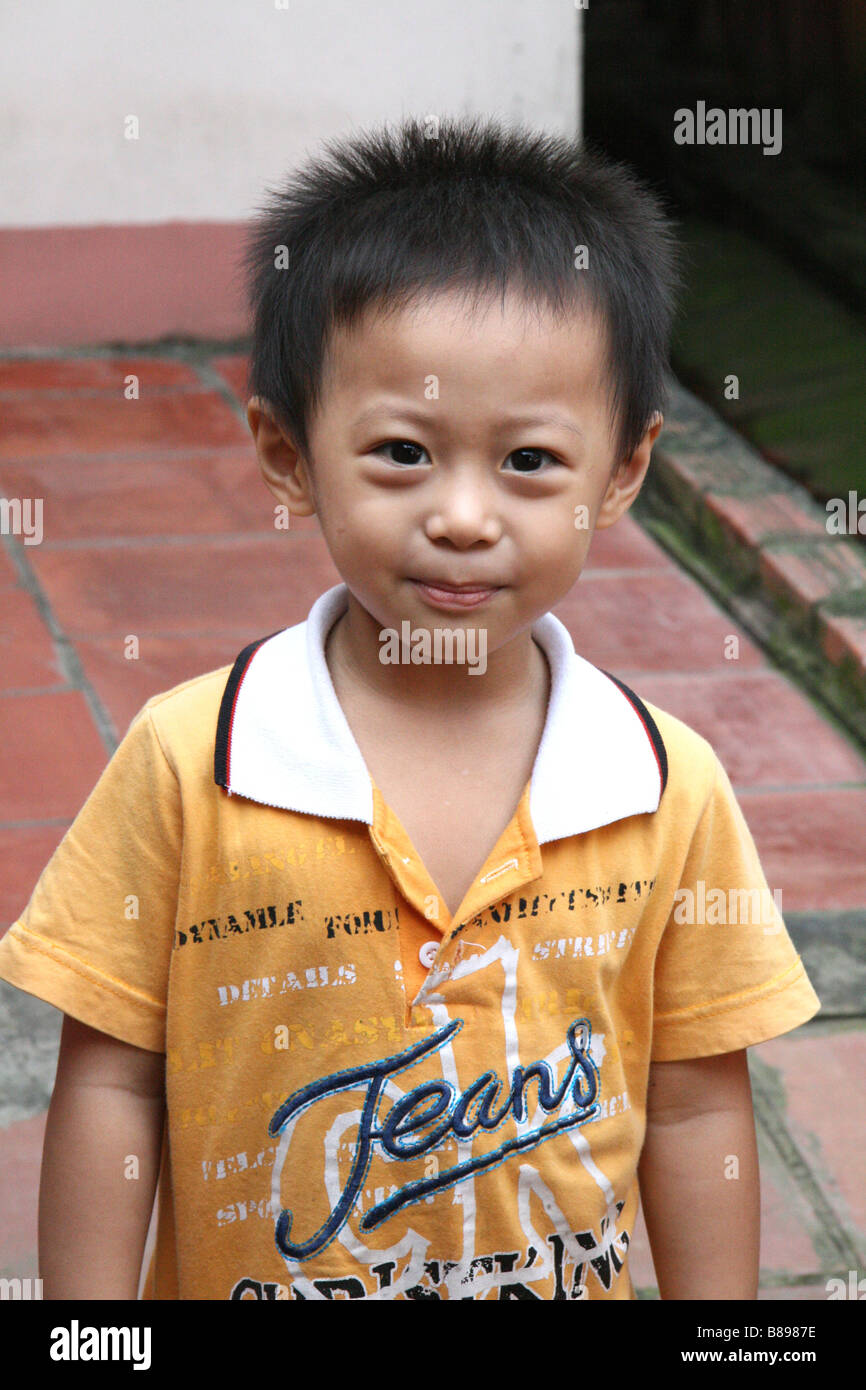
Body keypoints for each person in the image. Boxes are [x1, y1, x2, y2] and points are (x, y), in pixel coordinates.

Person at [0, 116, 820, 1301]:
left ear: (623, 471)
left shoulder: (661, 781)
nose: (464, 517)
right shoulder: (193, 762)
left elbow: (695, 1109)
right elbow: (113, 1082)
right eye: (400, 451)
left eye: (529, 461)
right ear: (288, 455)